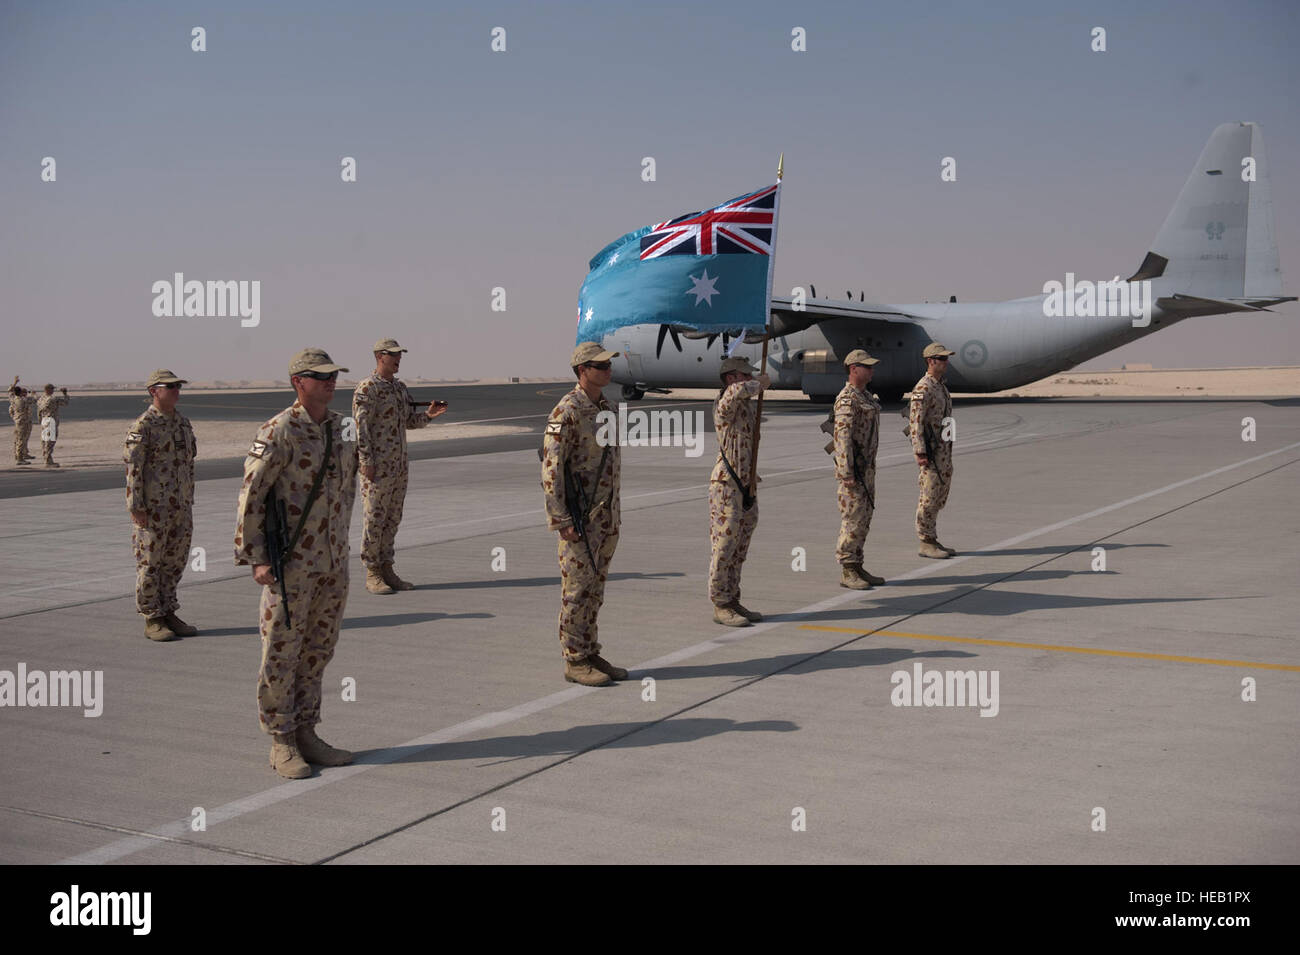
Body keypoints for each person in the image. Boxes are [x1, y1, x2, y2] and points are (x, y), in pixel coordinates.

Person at [234, 348, 360, 778]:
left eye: (333, 375)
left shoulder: (345, 428)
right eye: (320, 376)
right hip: (291, 565)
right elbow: (252, 496)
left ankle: (307, 731)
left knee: (317, 650)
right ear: (297, 382)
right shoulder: (278, 431)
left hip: (332, 561)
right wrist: (256, 558)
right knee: (282, 653)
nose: (330, 381)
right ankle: (281, 741)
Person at [540, 342, 626, 686]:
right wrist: (561, 520)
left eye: (608, 364)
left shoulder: (607, 407)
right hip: (580, 518)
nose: (607, 370)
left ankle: (590, 650)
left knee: (596, 588)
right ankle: (574, 660)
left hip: (606, 516)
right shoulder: (567, 411)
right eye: (600, 365)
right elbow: (551, 469)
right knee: (576, 590)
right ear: (582, 370)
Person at [352, 338, 447, 595]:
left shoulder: (399, 388)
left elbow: (408, 421)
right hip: (378, 467)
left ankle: (387, 568)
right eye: (393, 355)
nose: (398, 359)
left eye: (399, 354)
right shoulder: (367, 388)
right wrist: (366, 462)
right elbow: (360, 428)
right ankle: (372, 572)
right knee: (374, 519)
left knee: (392, 519)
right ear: (380, 356)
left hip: (399, 466)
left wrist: (428, 416)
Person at [124, 370, 198, 641]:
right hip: (153, 508)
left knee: (175, 561)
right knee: (150, 562)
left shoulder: (182, 423)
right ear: (154, 391)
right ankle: (152, 617)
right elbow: (134, 468)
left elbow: (188, 465)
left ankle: (168, 611)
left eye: (179, 386)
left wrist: (188, 500)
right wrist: (136, 506)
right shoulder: (143, 426)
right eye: (171, 387)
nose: (177, 390)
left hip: (180, 506)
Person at [709, 355, 770, 627]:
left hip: (746, 483)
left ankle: (733, 598)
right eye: (744, 375)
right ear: (731, 377)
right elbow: (739, 391)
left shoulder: (746, 406)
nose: (749, 379)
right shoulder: (727, 401)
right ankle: (720, 603)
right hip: (726, 484)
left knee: (740, 546)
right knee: (725, 544)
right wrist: (761, 383)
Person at [833, 350, 885, 589]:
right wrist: (846, 473)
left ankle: (857, 563)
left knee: (864, 519)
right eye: (867, 366)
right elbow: (842, 438)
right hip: (854, 473)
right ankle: (847, 569)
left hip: (867, 470)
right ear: (854, 369)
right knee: (853, 519)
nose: (872, 370)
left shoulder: (865, 397)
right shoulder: (847, 399)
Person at [909, 342, 958, 559]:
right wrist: (920, 452)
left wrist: (949, 444)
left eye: (947, 359)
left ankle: (932, 536)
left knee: (940, 495)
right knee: (928, 496)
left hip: (943, 450)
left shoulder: (941, 387)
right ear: (931, 361)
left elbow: (947, 419)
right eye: (943, 359)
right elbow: (916, 422)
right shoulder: (924, 388)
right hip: (930, 451)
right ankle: (925, 541)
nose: (946, 363)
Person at [36, 383, 70, 468]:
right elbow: (65, 403)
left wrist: (40, 421)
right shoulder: (53, 399)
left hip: (44, 421)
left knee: (45, 441)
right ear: (48, 389)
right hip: (51, 421)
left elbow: (38, 412)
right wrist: (65, 394)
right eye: (52, 389)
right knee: (50, 442)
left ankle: (47, 459)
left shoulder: (41, 399)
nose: (53, 391)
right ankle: (48, 461)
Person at [8, 377, 37, 465]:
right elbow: (34, 400)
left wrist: (15, 382)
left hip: (19, 421)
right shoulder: (23, 400)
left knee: (20, 439)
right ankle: (19, 458)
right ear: (20, 393)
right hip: (23, 422)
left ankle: (22, 455)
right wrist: (33, 394)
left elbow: (10, 391)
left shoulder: (13, 399)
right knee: (21, 439)